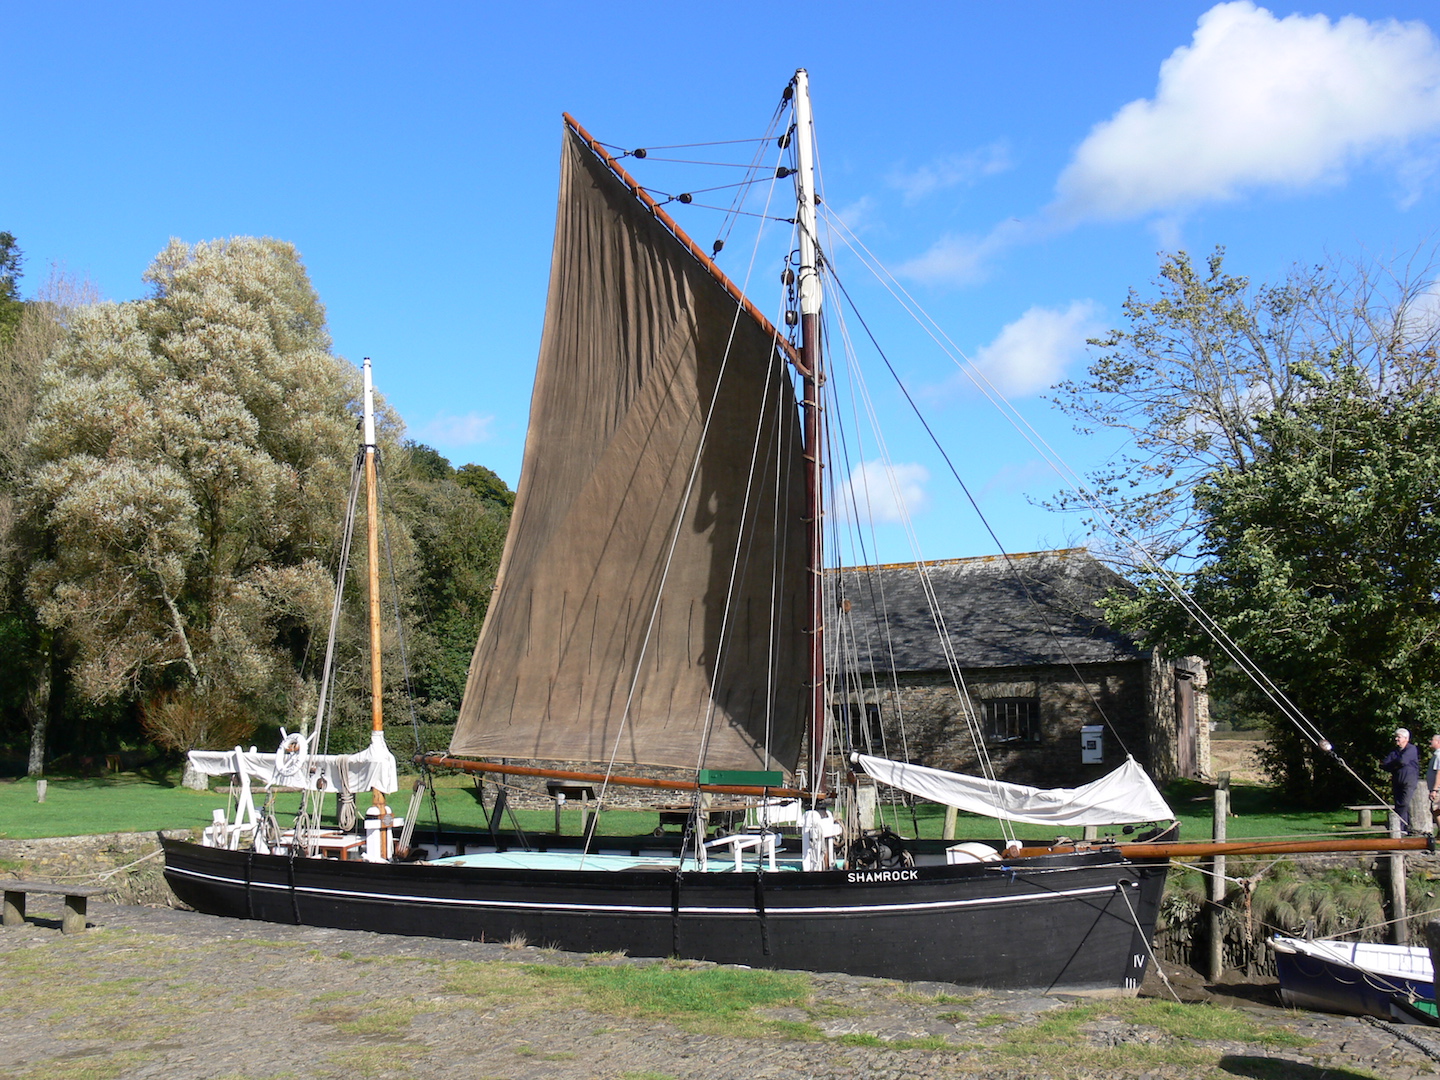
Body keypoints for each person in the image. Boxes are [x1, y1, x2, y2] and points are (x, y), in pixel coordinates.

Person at [1383, 728, 1421, 832]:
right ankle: (1401, 827)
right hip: (1397, 781)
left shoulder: (1411, 749)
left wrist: (1393, 765)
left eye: (1398, 737)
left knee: (1404, 803)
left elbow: (1402, 761)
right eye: (1396, 737)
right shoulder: (1394, 751)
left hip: (1408, 781)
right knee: (1398, 804)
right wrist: (1395, 764)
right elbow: (1384, 764)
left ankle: (1402, 827)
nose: (1396, 739)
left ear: (1406, 738)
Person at [1428, 734, 1440, 830]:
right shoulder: (1436, 755)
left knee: (1436, 809)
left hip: (1438, 789)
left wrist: (1435, 789)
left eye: (1432, 740)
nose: (1430, 741)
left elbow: (1439, 773)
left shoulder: (1439, 755)